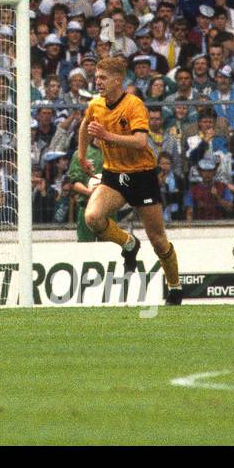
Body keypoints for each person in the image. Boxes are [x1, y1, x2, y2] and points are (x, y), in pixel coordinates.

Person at [77, 56, 183, 304]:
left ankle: (175, 288)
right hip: (114, 174)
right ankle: (128, 243)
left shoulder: (134, 105)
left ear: (118, 80)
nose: (97, 81)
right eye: (97, 77)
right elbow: (84, 125)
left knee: (157, 239)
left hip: (142, 175)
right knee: (92, 217)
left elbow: (139, 142)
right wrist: (82, 157)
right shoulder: (96, 105)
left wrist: (106, 135)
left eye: (103, 77)